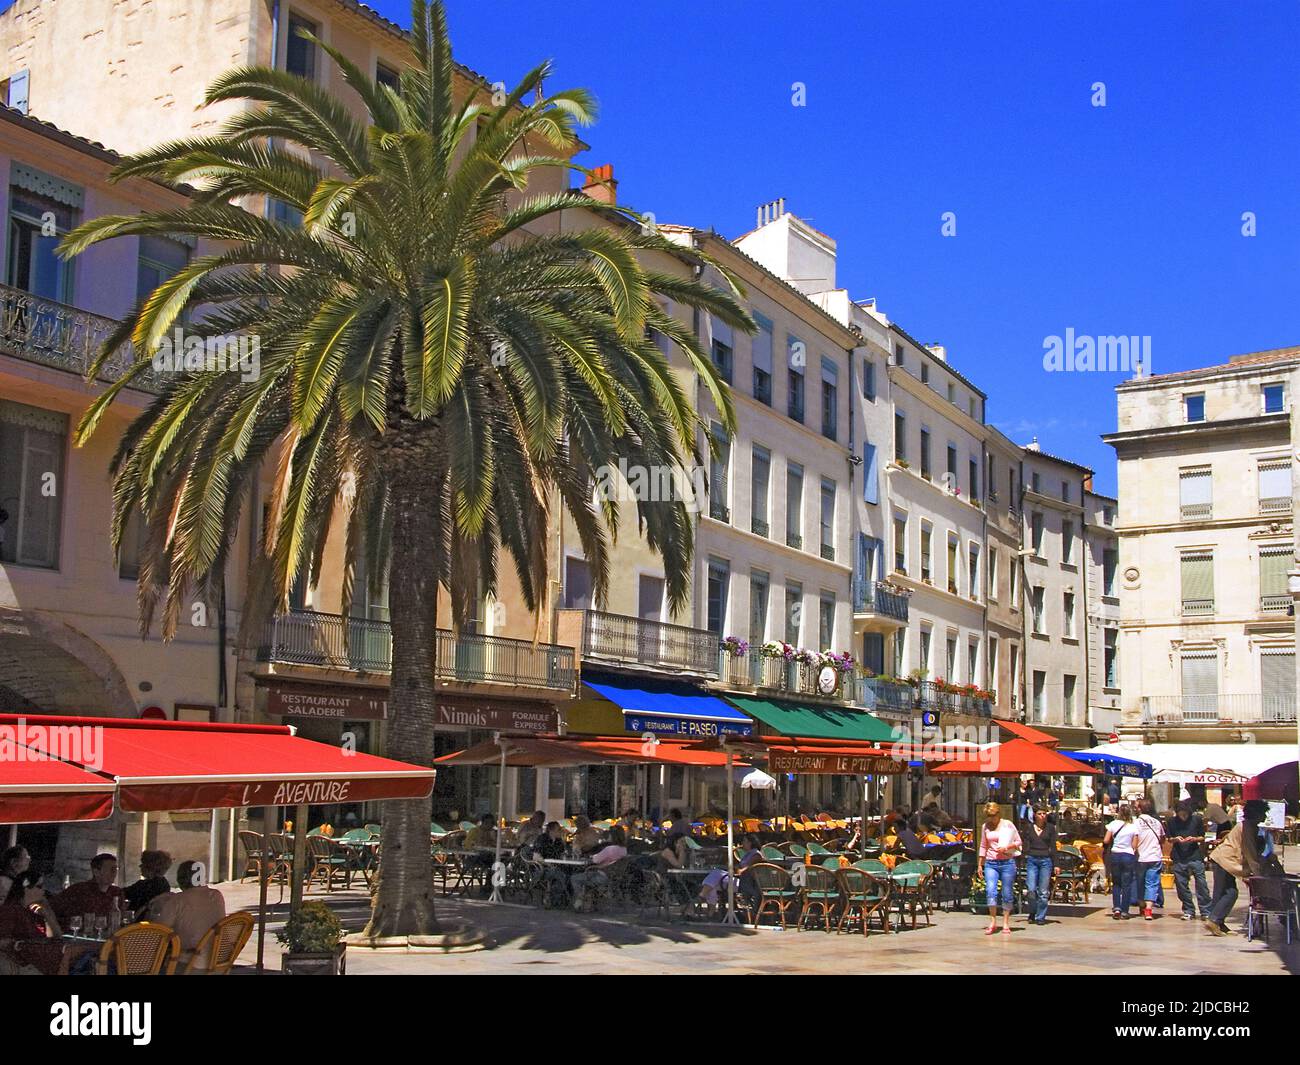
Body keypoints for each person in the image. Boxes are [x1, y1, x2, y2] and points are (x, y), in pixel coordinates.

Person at [1204, 798, 1273, 937]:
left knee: (1224, 893)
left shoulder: (1248, 826)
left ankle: (1218, 923)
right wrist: (1258, 874)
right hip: (1224, 860)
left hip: (1226, 861)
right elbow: (1250, 852)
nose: (1265, 817)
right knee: (1230, 893)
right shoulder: (1247, 827)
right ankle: (1213, 920)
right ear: (1256, 813)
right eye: (1263, 813)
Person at [147, 860, 226, 969]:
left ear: (180, 880)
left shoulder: (177, 900)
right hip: (218, 963)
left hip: (190, 965)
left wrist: (155, 910)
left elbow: (158, 932)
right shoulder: (217, 896)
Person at [0, 879, 64, 975]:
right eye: (39, 886)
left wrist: (47, 913)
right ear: (26, 889)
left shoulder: (33, 911)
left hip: (38, 957)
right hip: (22, 962)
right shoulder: (11, 910)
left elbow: (55, 935)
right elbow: (3, 941)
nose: (43, 890)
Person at [977, 801, 1022, 935]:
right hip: (991, 863)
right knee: (991, 891)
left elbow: (1019, 841)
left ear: (998, 813)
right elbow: (983, 845)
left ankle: (1006, 923)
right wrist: (980, 863)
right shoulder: (985, 826)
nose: (991, 818)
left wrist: (1007, 847)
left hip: (1007, 862)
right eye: (989, 816)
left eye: (993, 815)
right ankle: (992, 921)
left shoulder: (1007, 824)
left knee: (1007, 893)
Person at [1166, 800, 1211, 921]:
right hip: (1178, 856)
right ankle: (1188, 909)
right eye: (1181, 813)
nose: (1184, 816)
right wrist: (1175, 839)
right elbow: (1169, 838)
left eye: (1185, 813)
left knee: (1201, 884)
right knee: (1181, 885)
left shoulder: (1196, 820)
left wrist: (1195, 839)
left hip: (1195, 855)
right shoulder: (1171, 822)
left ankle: (1205, 910)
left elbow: (1202, 837)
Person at [50, 853, 123, 927]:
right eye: (111, 869)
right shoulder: (78, 891)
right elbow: (52, 909)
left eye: (116, 869)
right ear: (96, 872)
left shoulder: (117, 893)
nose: (114, 873)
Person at [570, 827, 629, 912]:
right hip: (614, 877)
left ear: (612, 836)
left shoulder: (610, 849)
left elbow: (595, 860)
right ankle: (590, 901)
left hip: (602, 876)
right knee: (588, 876)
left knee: (575, 878)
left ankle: (580, 899)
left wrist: (591, 857)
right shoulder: (624, 850)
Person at [1021, 806, 1057, 926]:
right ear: (1035, 815)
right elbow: (1024, 843)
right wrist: (1023, 855)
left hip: (1045, 860)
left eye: (1044, 813)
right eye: (1040, 813)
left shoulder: (1051, 828)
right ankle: (1032, 911)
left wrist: (1056, 864)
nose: (1042, 816)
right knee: (1031, 889)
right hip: (1032, 859)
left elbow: (1053, 847)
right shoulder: (1029, 828)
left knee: (1043, 891)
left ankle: (1040, 916)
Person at [1104, 804, 1139, 919]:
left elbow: (1106, 840)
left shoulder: (1113, 824)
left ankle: (1117, 908)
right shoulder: (1133, 827)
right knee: (1127, 884)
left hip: (1115, 854)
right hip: (1128, 855)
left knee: (1116, 883)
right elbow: (1134, 845)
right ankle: (1125, 910)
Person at [1133, 799, 1166, 921]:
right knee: (1152, 883)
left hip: (1141, 857)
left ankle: (1142, 906)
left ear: (1140, 809)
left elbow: (1133, 839)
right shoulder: (1157, 822)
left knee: (1140, 882)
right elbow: (1163, 838)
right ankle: (1148, 910)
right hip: (1155, 856)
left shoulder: (1135, 823)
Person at [124, 850, 173, 919]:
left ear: (150, 867)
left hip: (138, 924)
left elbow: (122, 894)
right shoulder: (165, 884)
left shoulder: (144, 885)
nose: (140, 866)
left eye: (143, 863)